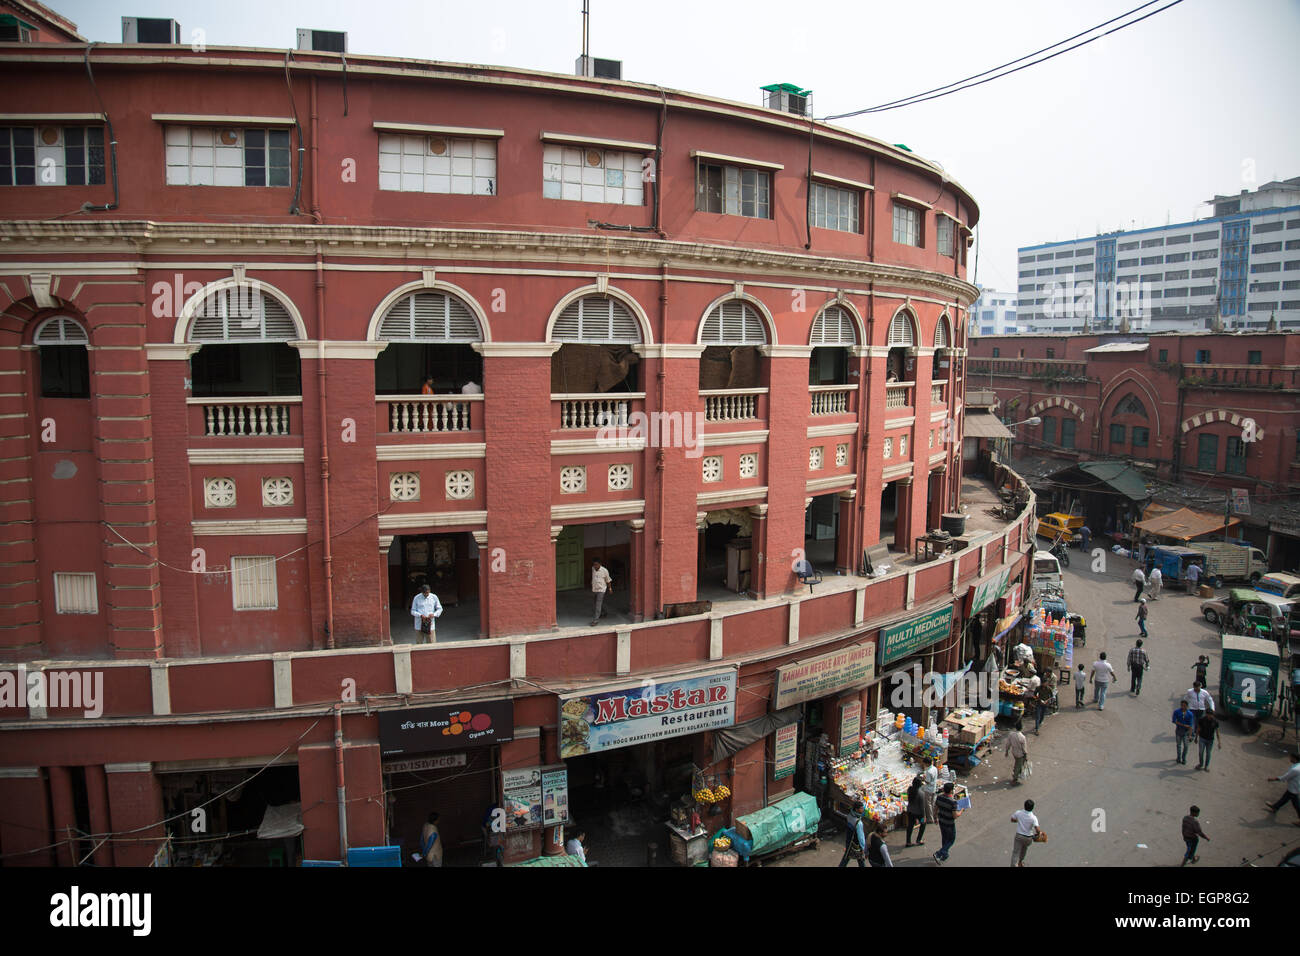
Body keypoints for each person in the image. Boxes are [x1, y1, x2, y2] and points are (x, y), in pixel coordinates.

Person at [1265, 752, 1300, 824]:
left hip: (1294, 788)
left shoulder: (1295, 770)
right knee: (1286, 798)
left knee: (1296, 804)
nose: (1290, 759)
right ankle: (1275, 807)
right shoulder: (1297, 766)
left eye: (1291, 758)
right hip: (1295, 787)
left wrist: (1273, 779)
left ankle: (1275, 807)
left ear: (1295, 759)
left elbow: (1285, 777)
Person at [932, 782, 961, 865]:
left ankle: (944, 854)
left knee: (944, 838)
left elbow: (935, 809)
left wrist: (935, 818)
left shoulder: (939, 797)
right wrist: (961, 810)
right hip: (949, 823)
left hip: (941, 821)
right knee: (951, 839)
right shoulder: (953, 802)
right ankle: (939, 853)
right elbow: (955, 816)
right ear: (951, 790)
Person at [1010, 799, 1040, 867]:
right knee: (1024, 850)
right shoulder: (1033, 818)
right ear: (1032, 808)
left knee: (1016, 852)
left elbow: (1012, 819)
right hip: (1028, 838)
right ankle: (1020, 862)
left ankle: (1014, 865)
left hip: (1019, 836)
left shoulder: (1018, 813)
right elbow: (1037, 829)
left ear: (1024, 806)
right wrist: (1040, 833)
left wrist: (1019, 821)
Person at [839, 800, 868, 868]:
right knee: (859, 858)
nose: (863, 810)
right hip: (856, 844)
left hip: (849, 840)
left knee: (847, 857)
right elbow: (861, 837)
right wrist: (864, 848)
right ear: (857, 809)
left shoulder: (850, 815)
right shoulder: (859, 823)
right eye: (861, 808)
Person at [589, 559, 613, 626]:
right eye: (594, 564)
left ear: (600, 564)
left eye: (596, 565)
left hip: (601, 590)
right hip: (594, 589)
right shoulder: (593, 568)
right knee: (596, 603)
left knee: (598, 605)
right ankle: (604, 612)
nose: (595, 566)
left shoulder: (604, 571)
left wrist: (610, 588)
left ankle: (595, 620)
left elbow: (608, 580)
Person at [905, 775, 927, 847]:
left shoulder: (909, 789)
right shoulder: (921, 794)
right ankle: (919, 839)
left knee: (910, 826)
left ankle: (908, 841)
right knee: (923, 824)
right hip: (918, 813)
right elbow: (922, 807)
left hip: (910, 811)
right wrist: (924, 816)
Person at [1005, 719, 1029, 784]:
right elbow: (1024, 749)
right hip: (1020, 754)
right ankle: (1014, 779)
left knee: (1017, 763)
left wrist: (1006, 751)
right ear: (1022, 728)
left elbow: (1008, 744)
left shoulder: (1011, 734)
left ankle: (1016, 772)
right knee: (1019, 765)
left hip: (1014, 752)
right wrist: (1026, 756)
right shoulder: (1022, 737)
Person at [1172, 700, 1196, 765]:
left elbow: (1190, 725)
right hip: (1178, 731)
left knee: (1186, 746)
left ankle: (1184, 758)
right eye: (1182, 705)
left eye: (1184, 706)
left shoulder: (1190, 714)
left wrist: (1190, 735)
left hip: (1186, 732)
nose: (1183, 707)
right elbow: (1174, 720)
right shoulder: (1177, 712)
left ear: (1187, 706)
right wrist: (1182, 724)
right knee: (1178, 745)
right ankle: (1179, 758)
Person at [920, 757, 939, 827]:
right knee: (932, 803)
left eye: (924, 763)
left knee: (928, 804)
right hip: (933, 788)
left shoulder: (929, 771)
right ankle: (934, 816)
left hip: (928, 789)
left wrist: (923, 778)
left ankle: (930, 819)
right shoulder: (934, 768)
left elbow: (927, 781)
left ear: (927, 763)